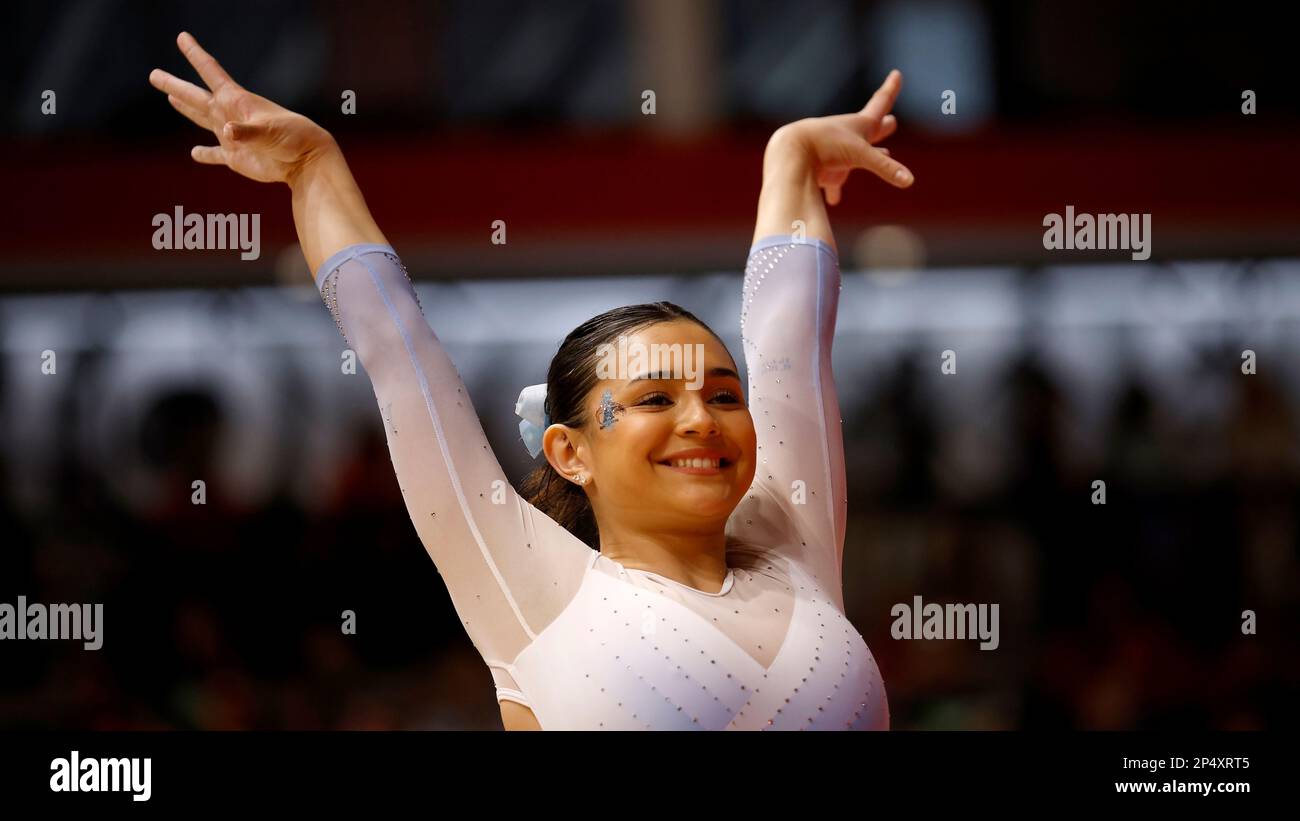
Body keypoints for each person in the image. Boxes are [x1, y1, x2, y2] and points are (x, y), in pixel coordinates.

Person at [149, 31, 914, 730]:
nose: (702, 418)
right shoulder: (529, 583)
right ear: (567, 450)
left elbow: (789, 347)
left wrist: (791, 158)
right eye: (655, 397)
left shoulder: (796, 541)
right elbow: (398, 352)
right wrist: (313, 167)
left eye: (723, 394)